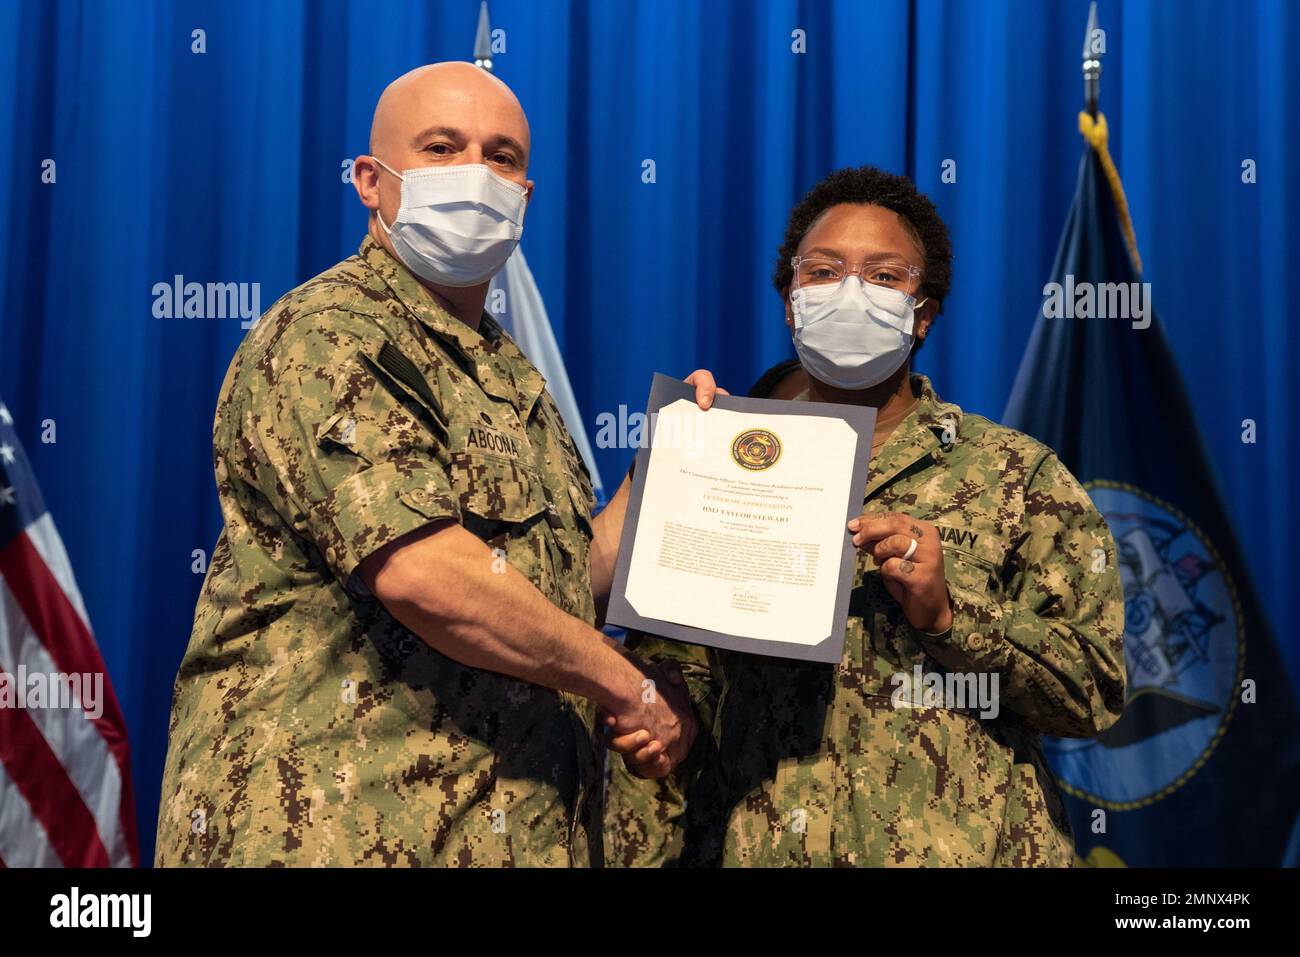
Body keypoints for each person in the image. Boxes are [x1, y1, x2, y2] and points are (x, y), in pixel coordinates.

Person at [156, 62, 717, 867]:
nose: (474, 175)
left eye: (501, 156)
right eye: (442, 147)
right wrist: (630, 687)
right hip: (332, 830)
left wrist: (664, 469)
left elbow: (553, 582)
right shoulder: (332, 332)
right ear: (370, 181)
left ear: (526, 193)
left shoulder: (501, 368)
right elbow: (429, 576)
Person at [604, 166, 1126, 867]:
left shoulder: (1016, 473)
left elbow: (1093, 690)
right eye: (823, 271)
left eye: (883, 276)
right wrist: (664, 720)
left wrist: (950, 616)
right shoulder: (718, 454)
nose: (849, 291)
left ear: (923, 311)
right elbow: (675, 675)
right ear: (791, 300)